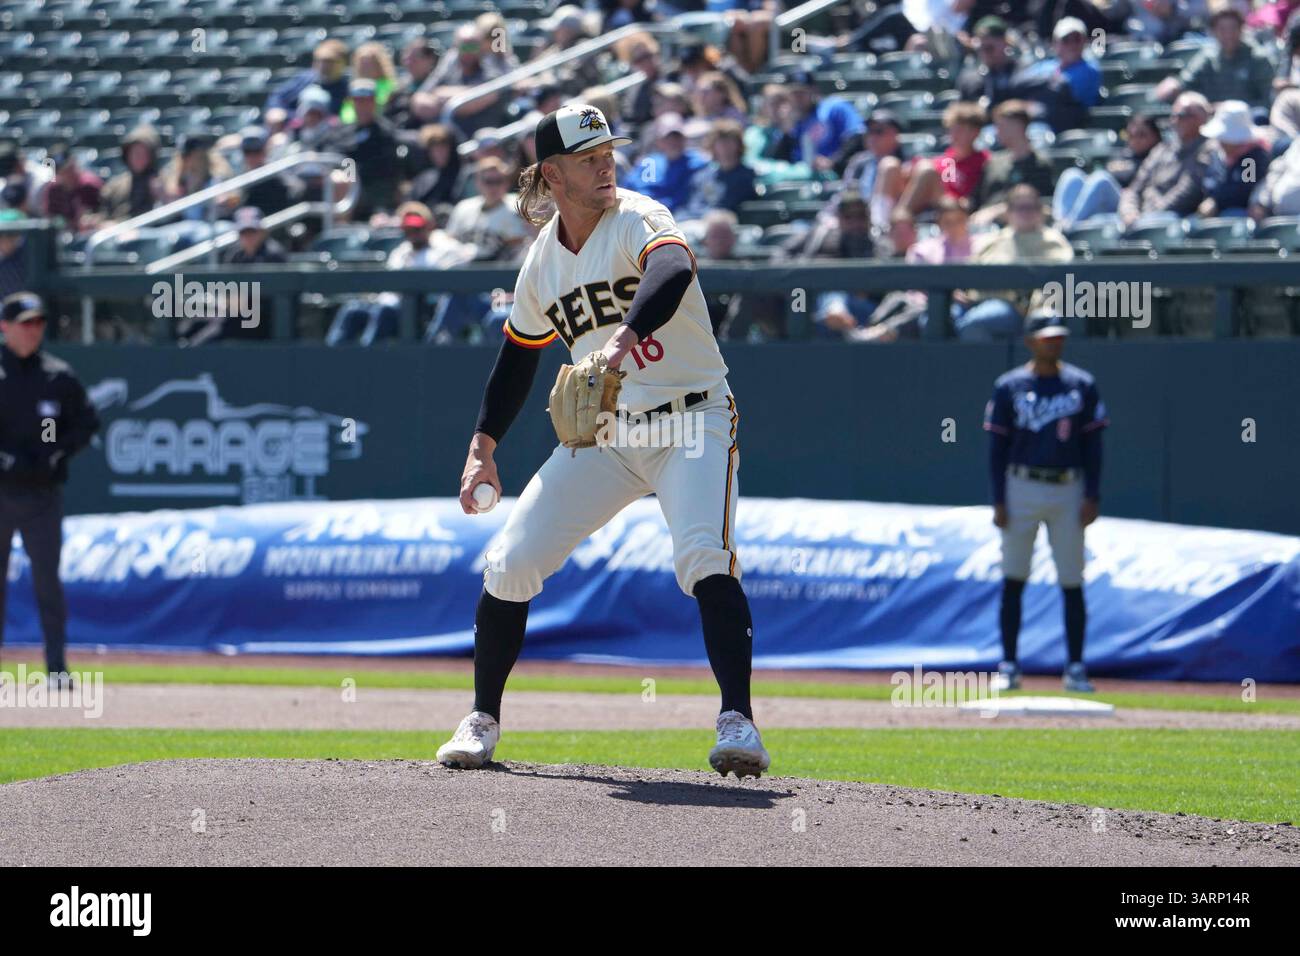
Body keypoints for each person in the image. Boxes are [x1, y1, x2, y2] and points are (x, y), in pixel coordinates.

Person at [439, 103, 769, 779]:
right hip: (609, 434)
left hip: (692, 419)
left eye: (609, 152)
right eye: (590, 159)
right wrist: (484, 443)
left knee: (704, 556)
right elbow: (518, 356)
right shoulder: (542, 263)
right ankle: (481, 720)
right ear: (552, 175)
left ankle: (737, 720)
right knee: (511, 560)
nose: (606, 165)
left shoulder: (638, 217)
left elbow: (672, 270)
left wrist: (621, 337)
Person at [983, 311, 1108, 694]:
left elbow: (1093, 446)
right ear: (1030, 341)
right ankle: (1008, 663)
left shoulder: (1081, 385)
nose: (1054, 342)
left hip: (1067, 486)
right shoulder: (1010, 386)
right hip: (1021, 484)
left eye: (1058, 337)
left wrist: (1092, 494)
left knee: (1072, 579)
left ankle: (1074, 665)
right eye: (1047, 337)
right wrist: (999, 500)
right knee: (1013, 577)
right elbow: (996, 447)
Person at [0, 292, 101, 688]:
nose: (33, 330)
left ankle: (56, 668)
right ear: (4, 326)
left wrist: (59, 451)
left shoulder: (57, 376)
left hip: (42, 495)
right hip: (1, 492)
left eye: (38, 323)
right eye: (24, 323)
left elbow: (86, 422)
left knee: (47, 583)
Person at [956, 184, 1073, 341]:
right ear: (1008, 212)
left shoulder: (1053, 241)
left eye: (1031, 207)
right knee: (938, 318)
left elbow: (1060, 280)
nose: (1026, 212)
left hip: (1017, 308)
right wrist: (958, 291)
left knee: (975, 323)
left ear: (1040, 211)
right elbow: (968, 272)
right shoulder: (992, 240)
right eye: (1020, 207)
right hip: (974, 301)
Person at [1119, 93, 1215, 226]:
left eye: (1181, 115)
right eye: (1173, 115)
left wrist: (1150, 213)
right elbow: (1135, 187)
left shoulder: (1207, 149)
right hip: (1143, 215)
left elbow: (1186, 193)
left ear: (1201, 119)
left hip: (1174, 217)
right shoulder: (1162, 149)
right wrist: (1129, 212)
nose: (1174, 120)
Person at [1156, 1, 1275, 107]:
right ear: (1213, 32)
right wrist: (1174, 84)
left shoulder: (1258, 58)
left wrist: (1229, 108)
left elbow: (1267, 100)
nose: (1228, 34)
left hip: (1252, 121)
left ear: (1241, 29)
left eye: (1233, 28)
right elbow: (1187, 81)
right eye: (1222, 29)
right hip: (1213, 122)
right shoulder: (1209, 56)